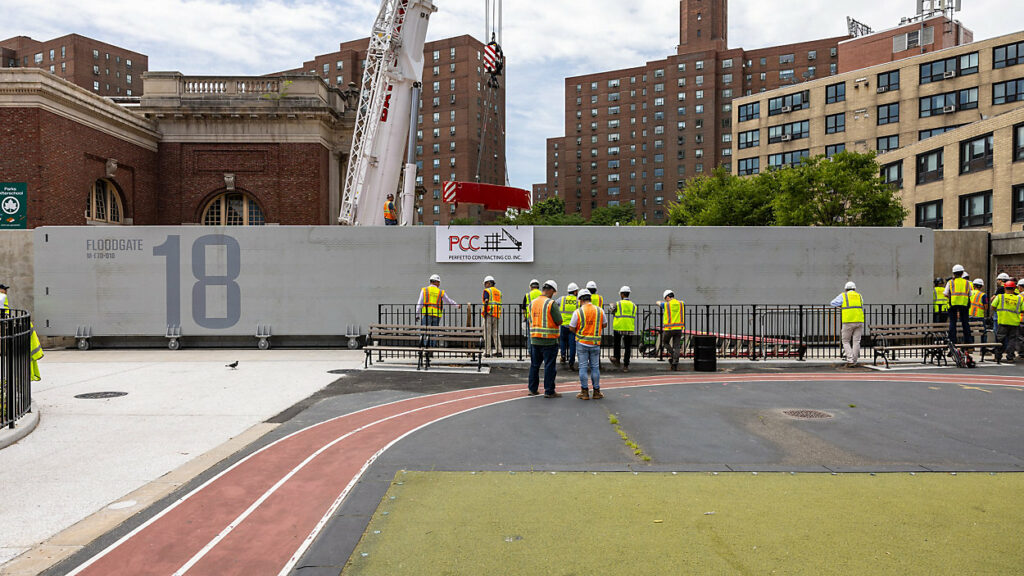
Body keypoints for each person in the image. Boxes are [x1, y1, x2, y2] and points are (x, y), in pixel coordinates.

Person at [528, 280, 562, 398]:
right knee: (549, 366)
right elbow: (559, 320)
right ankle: (549, 391)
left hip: (534, 339)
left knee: (534, 365)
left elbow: (530, 319)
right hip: (549, 340)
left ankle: (532, 389)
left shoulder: (532, 303)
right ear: (551, 290)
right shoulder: (550, 303)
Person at [570, 288, 606, 400]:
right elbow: (604, 324)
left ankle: (584, 392)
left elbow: (571, 327)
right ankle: (596, 392)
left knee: (583, 367)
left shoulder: (578, 312)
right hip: (595, 343)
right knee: (595, 367)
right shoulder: (600, 310)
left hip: (582, 342)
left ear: (580, 299)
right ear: (590, 298)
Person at [416, 274, 459, 346]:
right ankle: (432, 349)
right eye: (439, 282)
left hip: (427, 314)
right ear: (436, 282)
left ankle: (425, 348)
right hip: (437, 315)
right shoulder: (440, 292)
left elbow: (419, 303)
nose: (439, 284)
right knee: (434, 332)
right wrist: (456, 305)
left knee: (424, 331)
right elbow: (448, 301)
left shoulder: (424, 290)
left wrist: (417, 314)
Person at [830, 281, 865, 368]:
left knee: (845, 341)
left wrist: (841, 306)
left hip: (848, 321)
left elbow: (833, 303)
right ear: (855, 288)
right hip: (859, 321)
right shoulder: (859, 296)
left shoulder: (844, 295)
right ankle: (855, 360)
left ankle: (850, 359)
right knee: (856, 341)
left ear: (845, 289)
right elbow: (862, 304)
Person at [991, 280, 1021, 363]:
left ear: (1005, 288)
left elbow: (993, 306)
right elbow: (1022, 310)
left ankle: (998, 357)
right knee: (1012, 340)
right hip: (1014, 323)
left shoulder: (1000, 297)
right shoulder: (1019, 298)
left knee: (1000, 340)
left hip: (1003, 322)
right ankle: (1010, 357)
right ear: (1014, 289)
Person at [609, 286, 636, 372]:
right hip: (629, 327)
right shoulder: (633, 305)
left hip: (618, 327)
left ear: (622, 294)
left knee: (617, 344)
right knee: (628, 347)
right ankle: (626, 366)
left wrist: (611, 306)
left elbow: (611, 310)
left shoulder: (618, 304)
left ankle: (617, 359)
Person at [944, 264, 973, 344]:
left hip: (953, 304)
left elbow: (945, 294)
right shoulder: (967, 283)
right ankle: (968, 342)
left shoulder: (950, 282)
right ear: (962, 273)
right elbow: (970, 294)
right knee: (965, 323)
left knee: (952, 323)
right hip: (964, 304)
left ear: (953, 273)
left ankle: (952, 342)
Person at [661, 289, 685, 371]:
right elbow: (683, 302)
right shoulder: (681, 303)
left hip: (669, 328)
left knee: (665, 342)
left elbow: (658, 303)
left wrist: (661, 302)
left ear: (667, 297)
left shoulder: (666, 305)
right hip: (679, 328)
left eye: (665, 298)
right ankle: (675, 362)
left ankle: (674, 355)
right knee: (677, 346)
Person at [557, 283, 580, 367]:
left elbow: (555, 306)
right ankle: (571, 361)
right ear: (574, 292)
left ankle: (563, 356)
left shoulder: (562, 299)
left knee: (562, 341)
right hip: (573, 326)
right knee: (572, 343)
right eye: (577, 291)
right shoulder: (578, 300)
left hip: (563, 324)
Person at [481, 275, 503, 357]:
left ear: (489, 283)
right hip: (496, 314)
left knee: (487, 333)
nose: (484, 285)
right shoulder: (499, 292)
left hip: (489, 314)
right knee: (496, 333)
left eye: (485, 283)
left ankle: (487, 352)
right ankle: (499, 351)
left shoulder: (487, 291)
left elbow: (486, 301)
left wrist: (485, 312)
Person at [522, 279, 541, 357]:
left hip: (530, 318)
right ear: (538, 286)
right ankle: (539, 351)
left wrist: (525, 317)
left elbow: (523, 308)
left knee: (530, 335)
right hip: (540, 318)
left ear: (530, 287)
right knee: (539, 334)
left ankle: (531, 351)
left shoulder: (527, 295)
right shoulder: (541, 294)